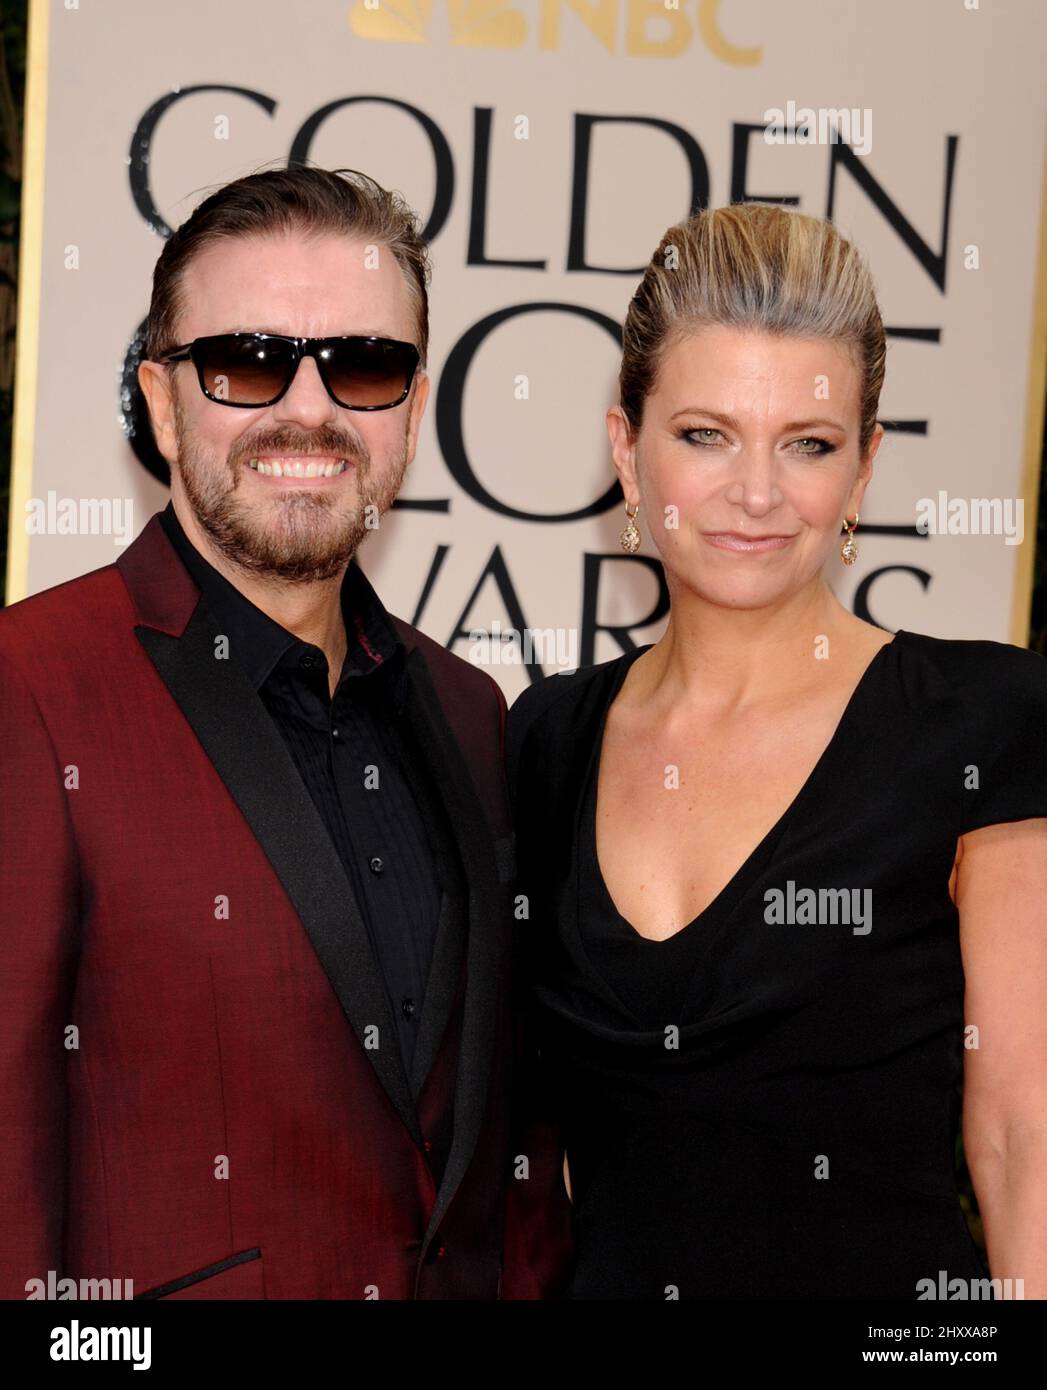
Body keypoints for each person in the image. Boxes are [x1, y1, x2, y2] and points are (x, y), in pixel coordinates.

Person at [0, 165, 571, 1300]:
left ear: (412, 408)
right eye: (248, 361)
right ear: (162, 403)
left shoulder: (468, 713)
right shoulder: (31, 686)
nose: (307, 410)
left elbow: (500, 1159)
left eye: (363, 364)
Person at [506, 202, 1047, 1300]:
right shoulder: (542, 738)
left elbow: (1022, 1144)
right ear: (627, 446)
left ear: (864, 467)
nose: (757, 493)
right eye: (705, 434)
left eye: (808, 443)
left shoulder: (979, 717)